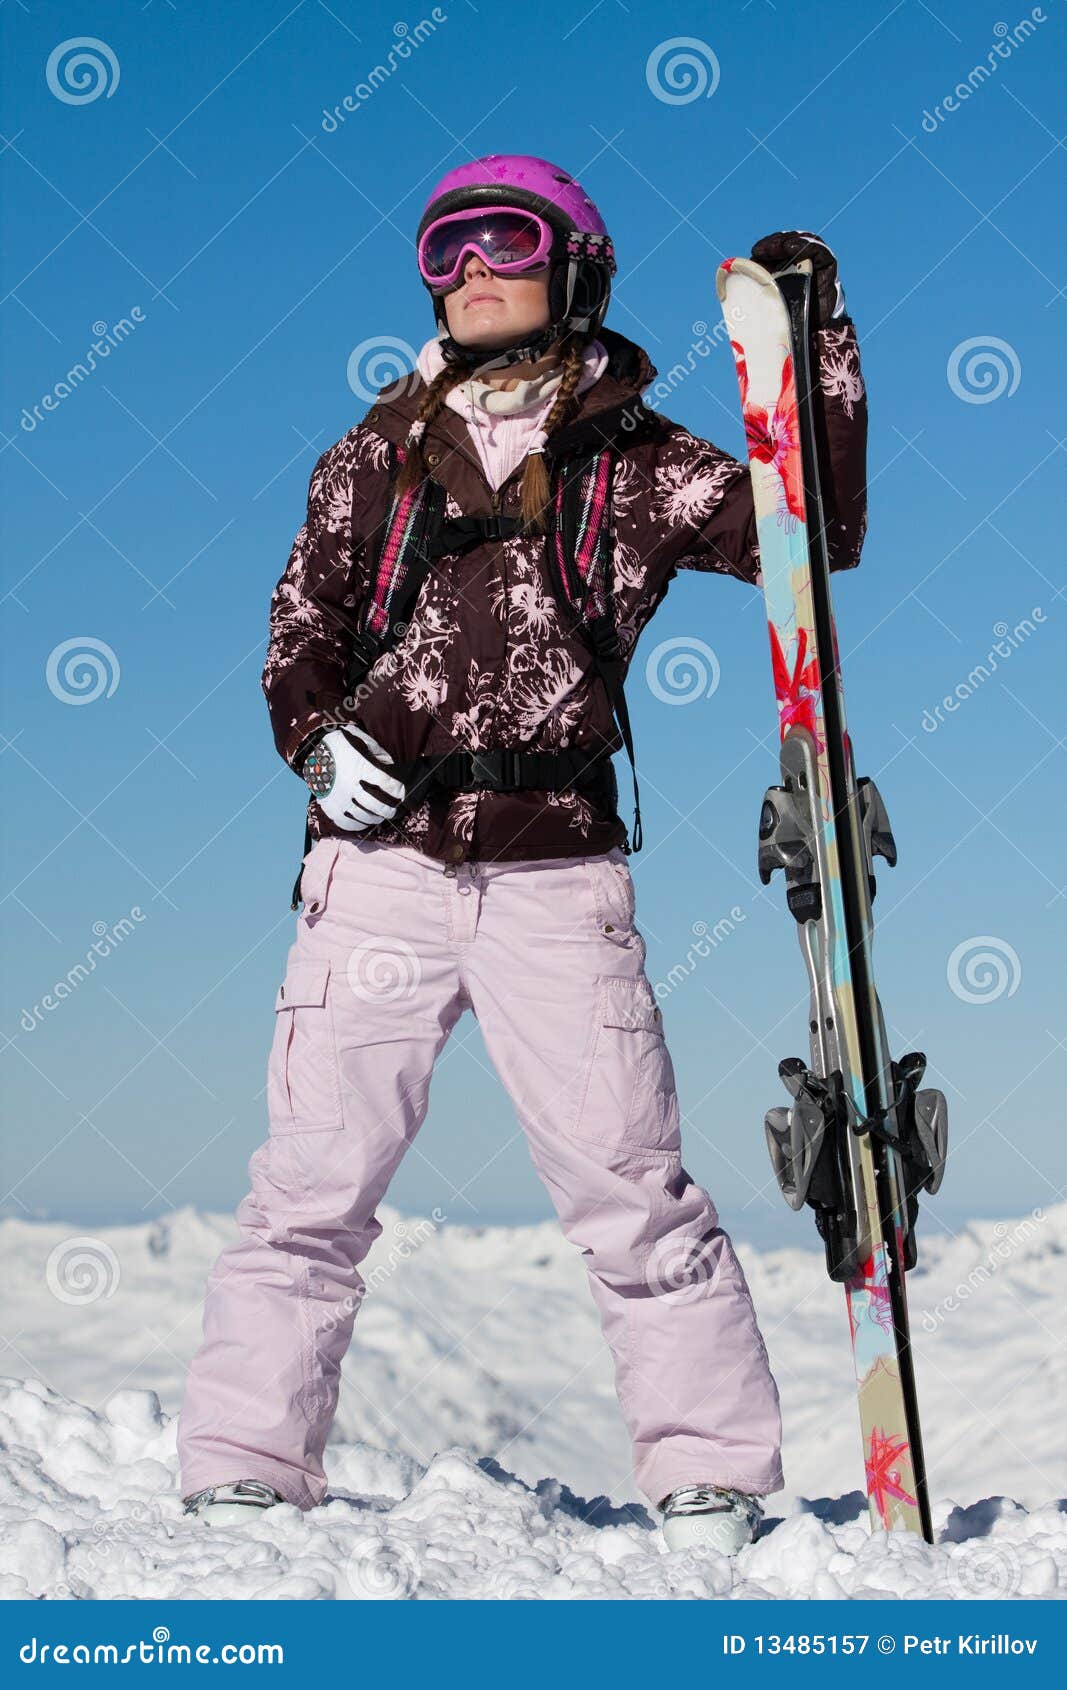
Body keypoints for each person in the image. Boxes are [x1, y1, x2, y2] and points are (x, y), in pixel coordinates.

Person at [178, 154, 867, 1556]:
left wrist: (817, 352)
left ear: (576, 266)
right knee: (310, 1185)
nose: (472, 266)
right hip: (378, 858)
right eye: (443, 246)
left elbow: (813, 531)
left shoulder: (638, 459)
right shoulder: (371, 453)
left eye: (506, 238)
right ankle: (245, 1464)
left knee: (631, 1179)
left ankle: (711, 1473)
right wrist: (312, 739)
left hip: (558, 863)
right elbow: (295, 631)